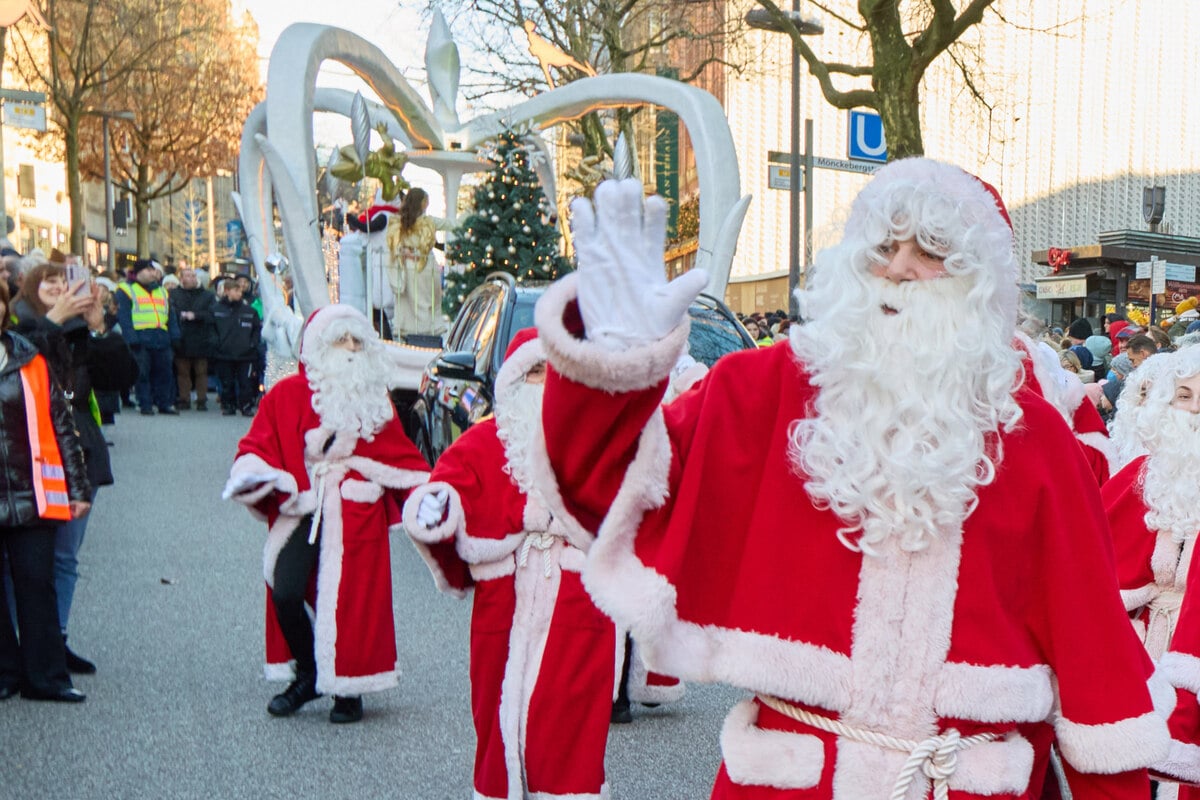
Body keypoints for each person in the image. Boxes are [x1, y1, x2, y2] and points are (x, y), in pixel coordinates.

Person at [533, 166, 1168, 799]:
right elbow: (607, 491)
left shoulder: (1037, 444)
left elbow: (1096, 674)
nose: (898, 267)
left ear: (981, 289)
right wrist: (610, 369)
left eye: (931, 251)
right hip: (790, 781)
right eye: (883, 247)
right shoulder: (763, 394)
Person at [403, 329, 616, 799]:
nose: (546, 385)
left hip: (578, 601)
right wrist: (435, 510)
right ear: (515, 381)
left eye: (557, 374)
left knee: (571, 726)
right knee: (496, 711)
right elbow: (448, 489)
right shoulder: (485, 442)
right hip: (504, 598)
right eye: (535, 372)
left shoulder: (600, 444)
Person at [223, 304, 429, 724]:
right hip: (304, 505)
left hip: (356, 511)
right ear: (318, 346)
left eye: (357, 340)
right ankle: (309, 672)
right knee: (286, 589)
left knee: (352, 602)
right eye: (341, 340)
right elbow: (256, 447)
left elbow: (402, 459)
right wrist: (256, 475)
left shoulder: (376, 401)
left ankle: (349, 688)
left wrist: (431, 502)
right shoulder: (286, 394)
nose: (351, 349)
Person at [12, 261, 135, 675]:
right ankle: (19, 647)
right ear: (31, 286)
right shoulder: (19, 325)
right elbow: (23, 361)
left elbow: (121, 378)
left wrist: (100, 328)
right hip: (23, 458)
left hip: (78, 454)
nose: (58, 286)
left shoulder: (83, 330)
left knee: (65, 557)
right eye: (49, 280)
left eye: (64, 280)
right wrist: (53, 320)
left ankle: (56, 641)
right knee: (21, 561)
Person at [0, 281, 92, 702]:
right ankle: (6, 673)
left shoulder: (29, 356)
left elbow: (62, 426)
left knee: (37, 583)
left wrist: (77, 486)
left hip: (33, 491)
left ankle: (47, 677)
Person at [1102, 347, 1200, 664]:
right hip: (1146, 651)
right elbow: (1088, 553)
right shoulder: (1142, 476)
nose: (1195, 409)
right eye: (1184, 396)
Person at [386, 187, 455, 339]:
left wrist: (406, 253)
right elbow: (451, 224)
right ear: (422, 202)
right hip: (424, 265)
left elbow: (394, 246)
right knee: (427, 301)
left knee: (412, 303)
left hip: (408, 265)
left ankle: (410, 334)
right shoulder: (428, 222)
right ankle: (427, 335)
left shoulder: (399, 222)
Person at [116, 258, 178, 415]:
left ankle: (164, 403)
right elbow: (124, 316)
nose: (153, 273)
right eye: (148, 270)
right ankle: (145, 403)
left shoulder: (162, 291)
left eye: (154, 270)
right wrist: (131, 338)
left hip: (161, 336)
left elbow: (170, 315)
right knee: (142, 373)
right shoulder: (126, 290)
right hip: (140, 337)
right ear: (138, 273)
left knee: (165, 372)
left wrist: (174, 335)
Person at [211, 278, 262, 417]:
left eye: (240, 290)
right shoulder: (216, 310)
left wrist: (252, 344)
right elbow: (211, 329)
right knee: (227, 382)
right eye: (236, 290)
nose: (240, 293)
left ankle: (246, 406)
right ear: (227, 291)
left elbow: (257, 329)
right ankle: (228, 406)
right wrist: (217, 344)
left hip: (246, 354)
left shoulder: (249, 311)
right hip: (224, 353)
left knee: (246, 382)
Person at [169, 266, 217, 411]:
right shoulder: (174, 294)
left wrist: (195, 315)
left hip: (201, 338)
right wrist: (180, 315)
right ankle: (184, 399)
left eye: (192, 276)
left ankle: (201, 400)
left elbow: (211, 315)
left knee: (201, 371)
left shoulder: (207, 295)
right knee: (182, 371)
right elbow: (170, 312)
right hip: (181, 337)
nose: (190, 278)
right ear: (181, 278)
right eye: (186, 276)